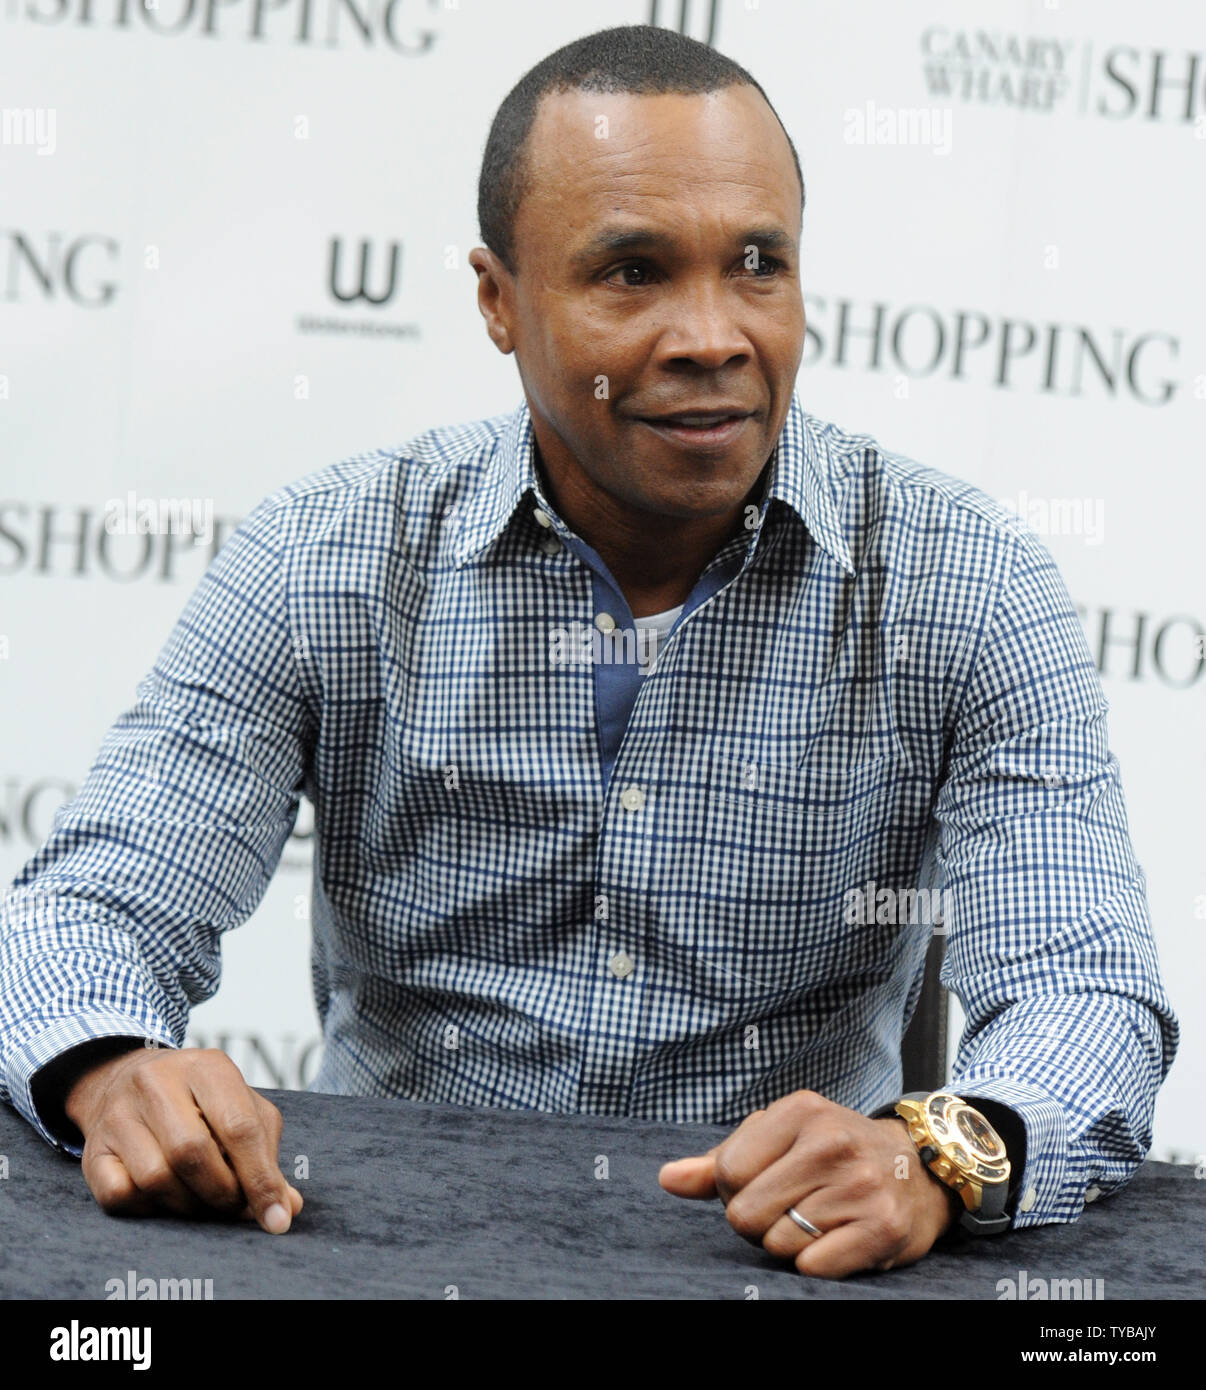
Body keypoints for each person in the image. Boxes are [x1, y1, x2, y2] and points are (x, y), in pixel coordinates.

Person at [0, 24, 1178, 1280]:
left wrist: (939, 1152)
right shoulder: (325, 556)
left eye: (758, 264)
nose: (713, 334)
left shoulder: (964, 579)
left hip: (780, 1266)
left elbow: (1086, 988)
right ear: (497, 301)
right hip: (375, 1252)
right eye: (632, 272)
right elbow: (91, 910)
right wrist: (112, 1065)